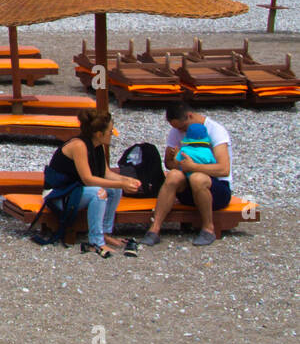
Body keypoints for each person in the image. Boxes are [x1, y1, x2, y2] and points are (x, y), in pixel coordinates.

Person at [45, 109, 142, 257]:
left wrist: (126, 180)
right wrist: (121, 184)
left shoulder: (98, 145)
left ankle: (105, 232)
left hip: (75, 191)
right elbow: (88, 179)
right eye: (110, 131)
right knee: (99, 193)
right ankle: (96, 241)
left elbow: (105, 173)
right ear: (99, 133)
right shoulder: (79, 146)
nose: (112, 134)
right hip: (59, 194)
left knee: (114, 190)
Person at [141, 102, 233, 247]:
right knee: (173, 176)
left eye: (182, 127)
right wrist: (178, 162)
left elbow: (223, 169)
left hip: (217, 190)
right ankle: (155, 228)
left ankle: (208, 229)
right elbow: (169, 164)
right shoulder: (176, 131)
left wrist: (194, 166)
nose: (180, 131)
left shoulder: (215, 131)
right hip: (188, 189)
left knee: (198, 178)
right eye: (176, 128)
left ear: (190, 116)